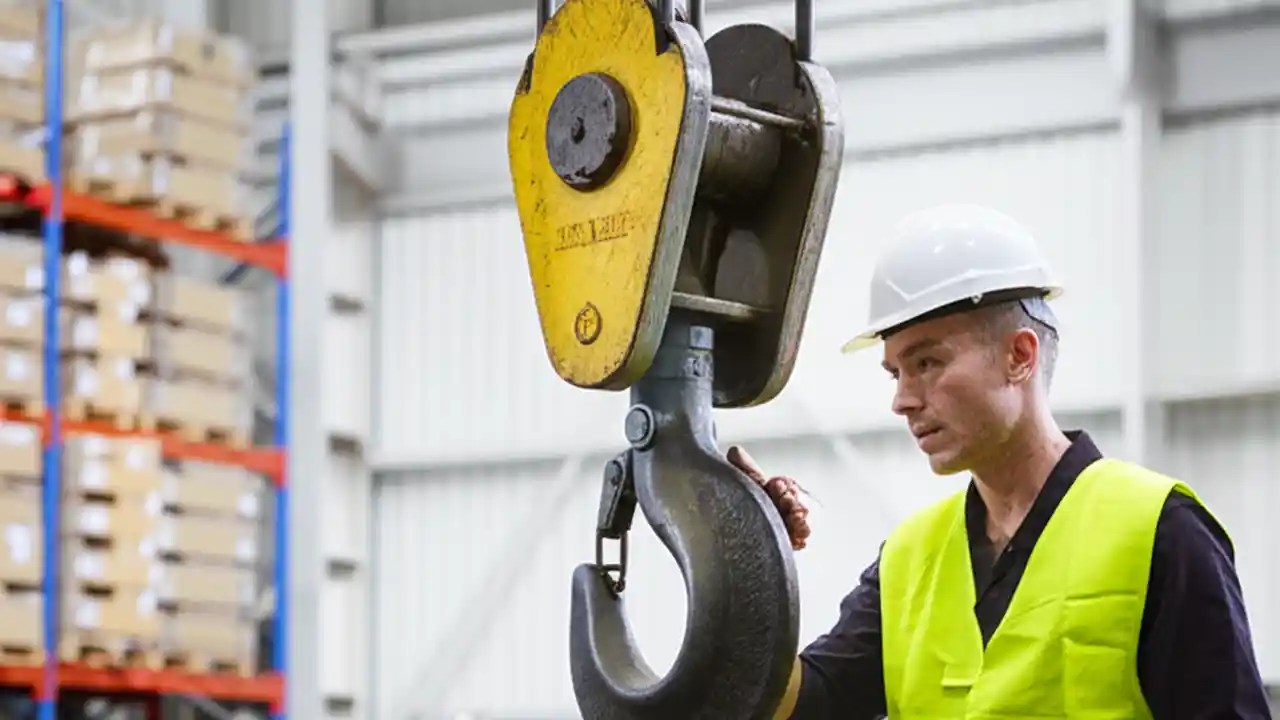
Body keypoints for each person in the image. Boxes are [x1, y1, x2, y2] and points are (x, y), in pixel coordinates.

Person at [727, 204, 1272, 719]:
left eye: (927, 362)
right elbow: (805, 704)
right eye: (896, 373)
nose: (903, 399)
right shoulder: (909, 559)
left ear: (1020, 356)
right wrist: (750, 552)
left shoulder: (1161, 530)